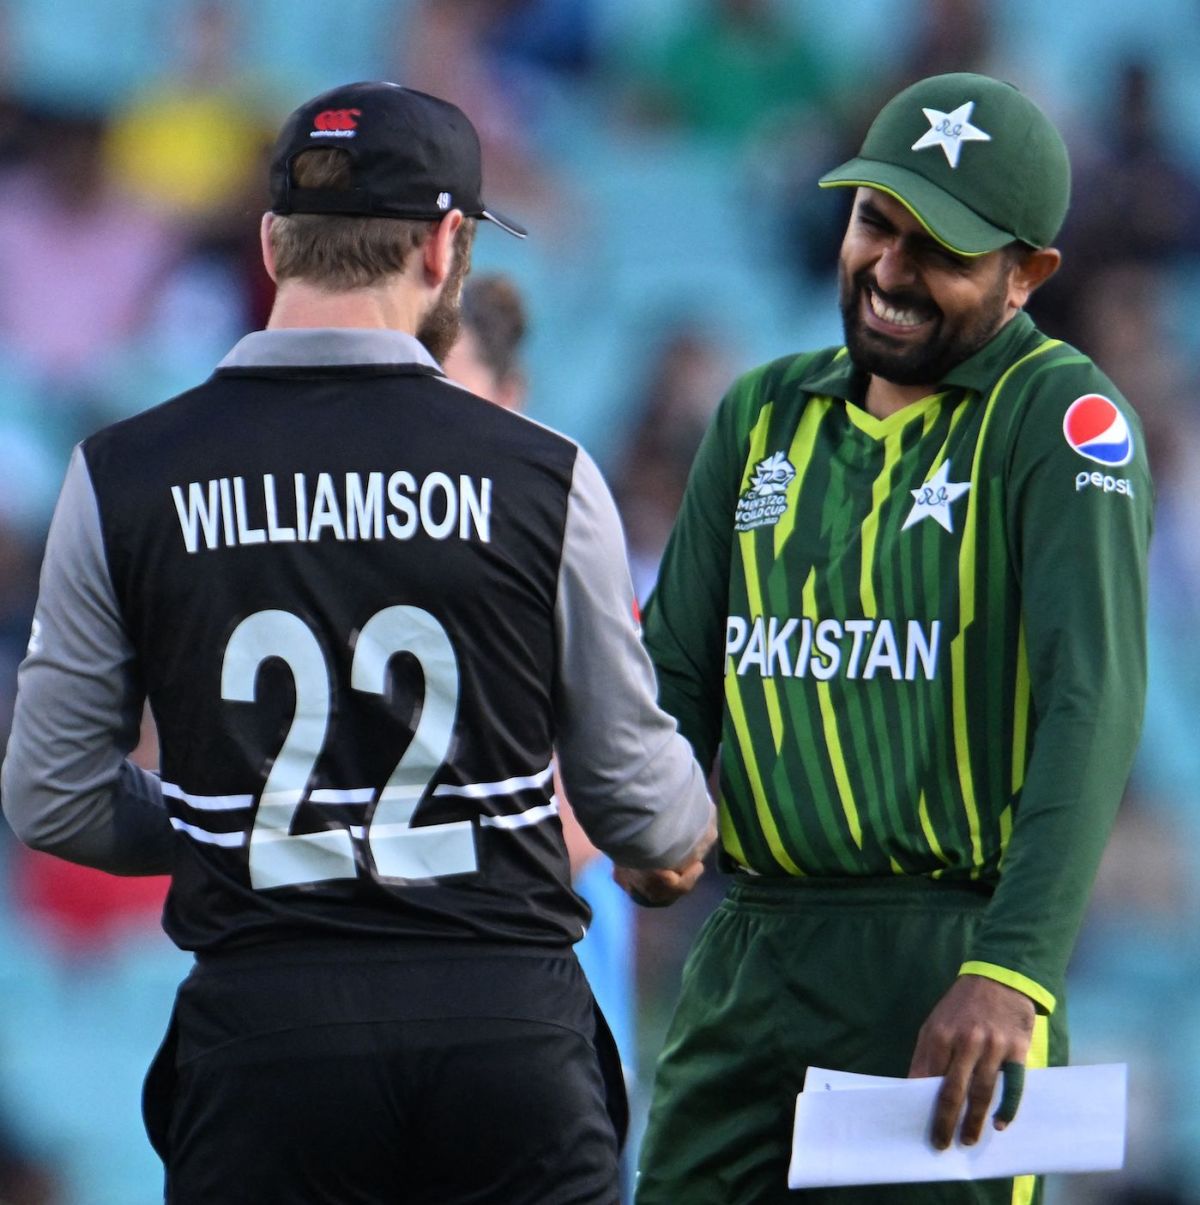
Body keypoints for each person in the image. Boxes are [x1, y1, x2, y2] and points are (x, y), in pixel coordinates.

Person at [1, 81, 715, 1205]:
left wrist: (230, 829)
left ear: (274, 239)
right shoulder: (546, 474)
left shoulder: (120, 473)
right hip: (503, 1038)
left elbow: (51, 795)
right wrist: (673, 831)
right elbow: (646, 809)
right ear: (446, 247)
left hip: (265, 1041)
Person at [633, 71, 1152, 1204]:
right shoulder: (759, 411)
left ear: (1028, 275)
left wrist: (1012, 969)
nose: (890, 271)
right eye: (876, 222)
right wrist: (644, 814)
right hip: (750, 949)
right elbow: (672, 671)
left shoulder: (1061, 420)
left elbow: (1091, 702)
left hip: (946, 962)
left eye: (944, 251)